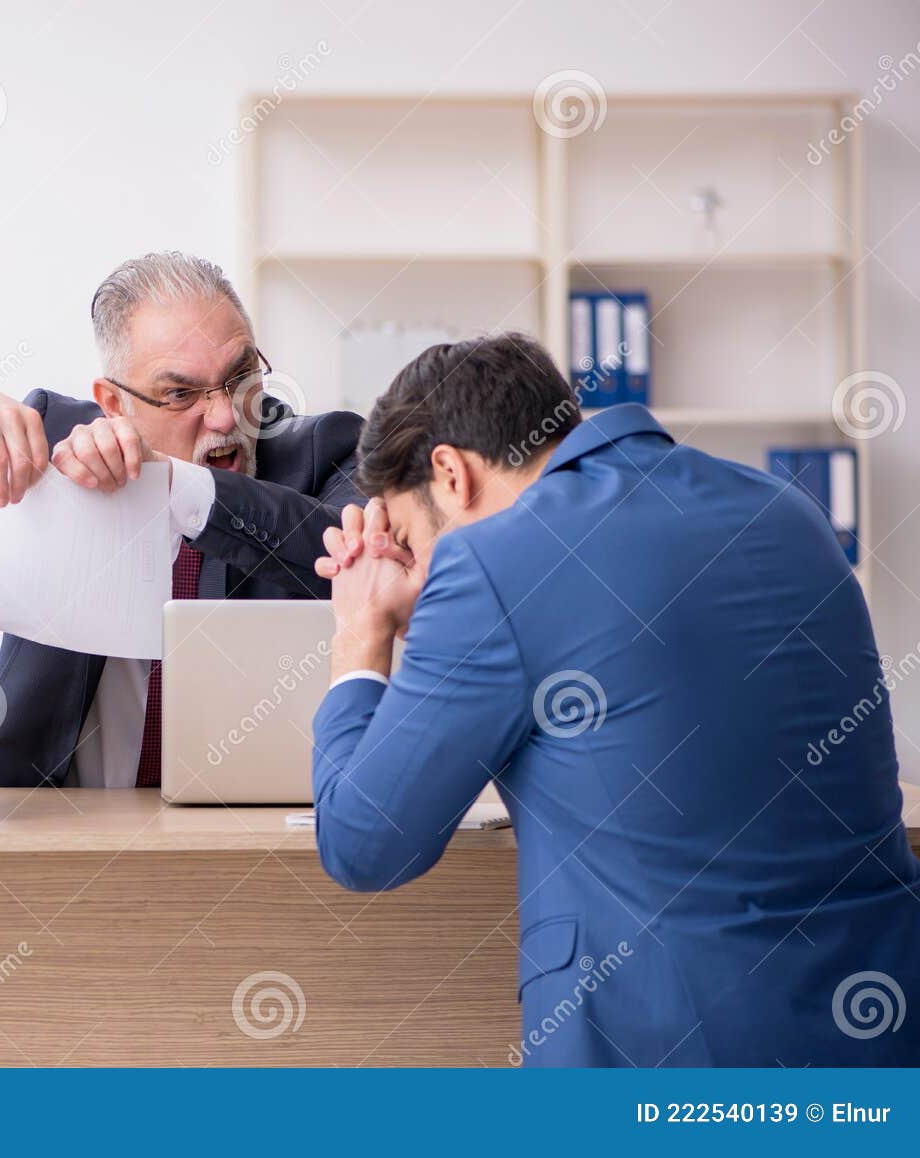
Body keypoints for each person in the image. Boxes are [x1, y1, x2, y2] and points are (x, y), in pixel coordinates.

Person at [310, 331, 920, 1067]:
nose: (419, 568)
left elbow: (364, 844)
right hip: (877, 1035)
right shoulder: (786, 509)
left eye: (406, 537)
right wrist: (446, 630)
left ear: (449, 473)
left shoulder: (492, 562)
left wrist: (361, 634)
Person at [0, 251, 363, 788]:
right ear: (112, 402)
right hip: (45, 828)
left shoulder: (324, 450)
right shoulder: (50, 444)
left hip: (242, 839)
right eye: (180, 393)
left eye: (240, 375)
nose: (225, 415)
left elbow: (355, 565)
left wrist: (173, 483)